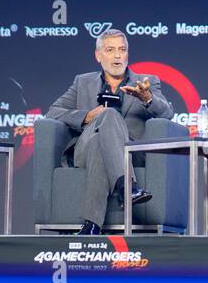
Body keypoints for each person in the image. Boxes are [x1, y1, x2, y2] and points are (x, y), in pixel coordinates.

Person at [46, 28, 173, 234]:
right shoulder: (83, 82)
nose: (117, 56)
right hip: (83, 152)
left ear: (127, 54)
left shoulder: (146, 82)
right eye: (110, 50)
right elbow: (52, 112)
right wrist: (87, 116)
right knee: (109, 115)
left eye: (122, 50)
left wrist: (147, 99)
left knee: (100, 143)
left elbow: (167, 113)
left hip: (129, 153)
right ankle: (128, 188)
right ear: (98, 55)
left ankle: (92, 225)